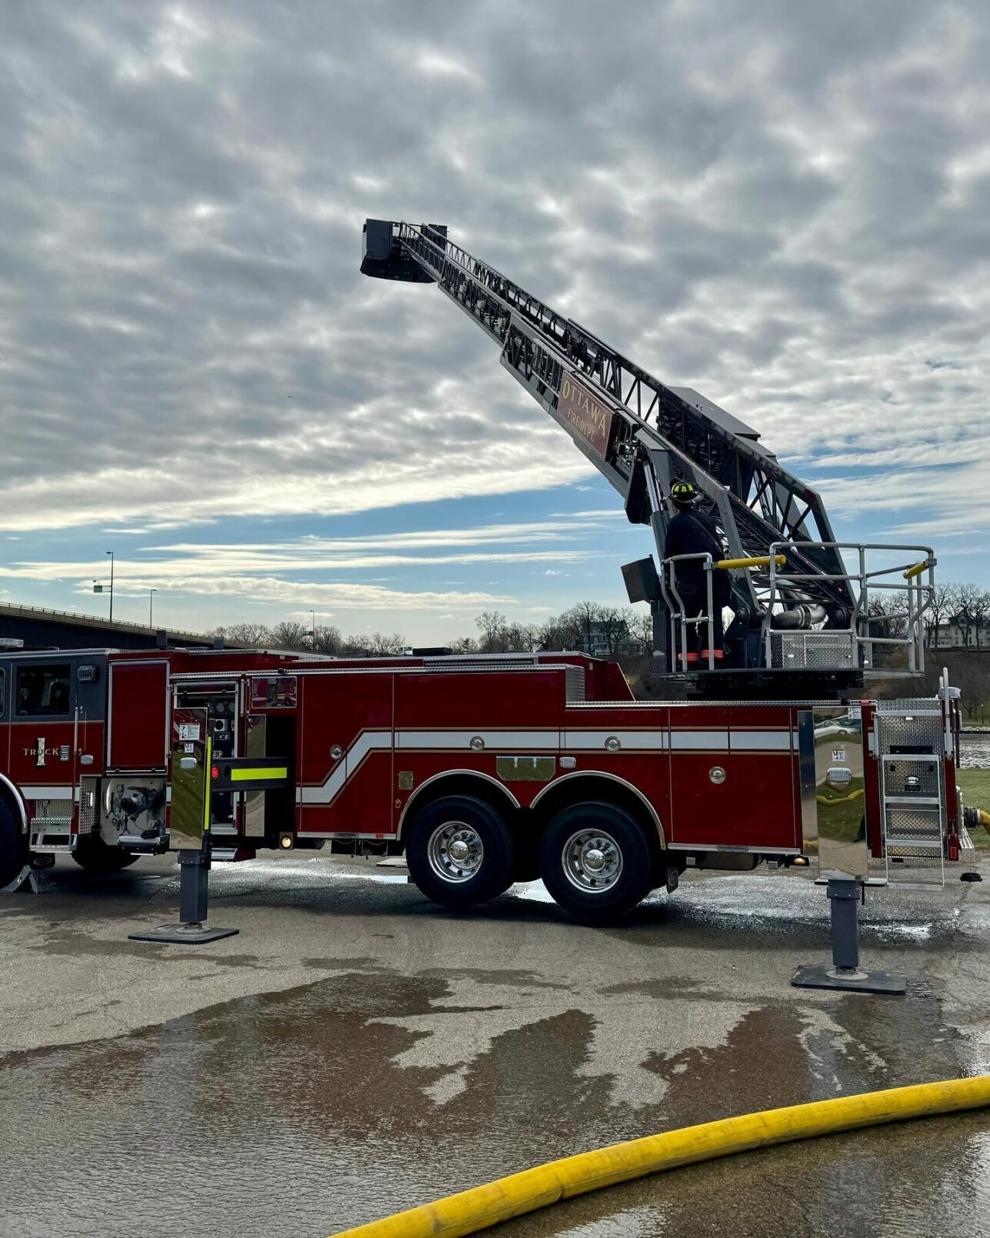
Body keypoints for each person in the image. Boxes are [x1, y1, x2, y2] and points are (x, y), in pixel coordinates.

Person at [663, 480, 731, 664]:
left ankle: (689, 656)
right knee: (713, 614)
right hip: (714, 575)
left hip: (691, 578)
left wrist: (668, 574)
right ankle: (713, 653)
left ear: (675, 502)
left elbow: (669, 552)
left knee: (687, 615)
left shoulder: (675, 523)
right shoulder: (706, 519)